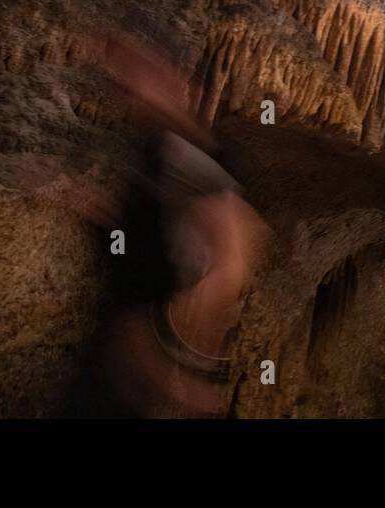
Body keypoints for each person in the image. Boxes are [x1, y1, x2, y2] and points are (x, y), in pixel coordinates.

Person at [83, 32, 268, 417]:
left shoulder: (193, 157)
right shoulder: (151, 152)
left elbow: (233, 260)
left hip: (139, 346)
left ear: (180, 85)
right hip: (119, 343)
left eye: (141, 74)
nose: (129, 88)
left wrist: (182, 363)